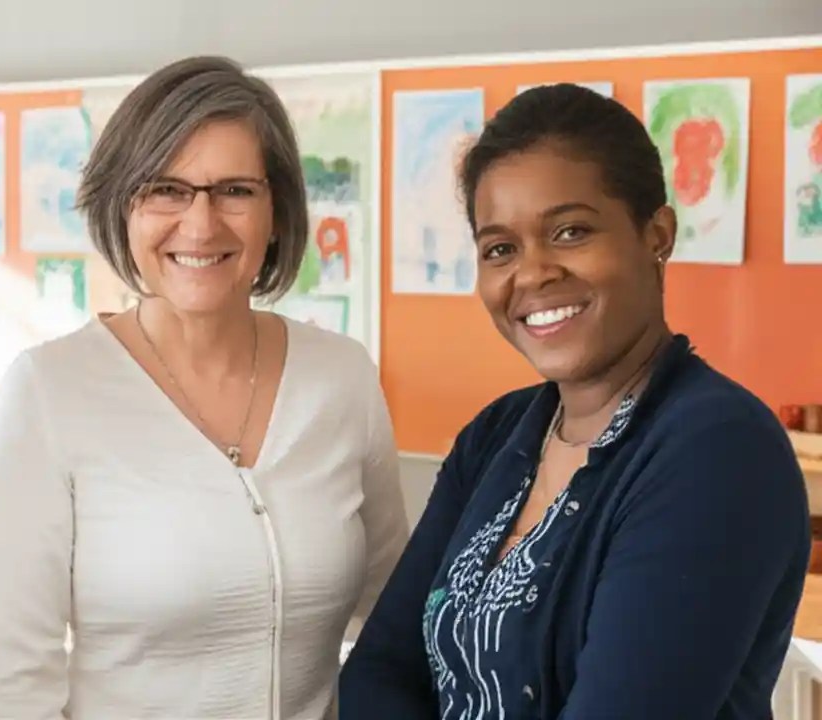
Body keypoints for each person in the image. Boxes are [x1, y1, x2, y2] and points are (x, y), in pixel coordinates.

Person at [339, 83, 811, 719]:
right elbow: (380, 669)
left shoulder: (717, 452)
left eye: (570, 231)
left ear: (657, 235)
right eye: (500, 248)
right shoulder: (496, 436)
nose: (531, 274)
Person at [0, 55, 408, 719]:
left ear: (278, 212)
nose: (201, 225)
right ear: (123, 207)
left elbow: (391, 621)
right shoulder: (49, 392)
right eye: (165, 190)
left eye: (234, 190)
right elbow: (16, 688)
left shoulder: (342, 377)